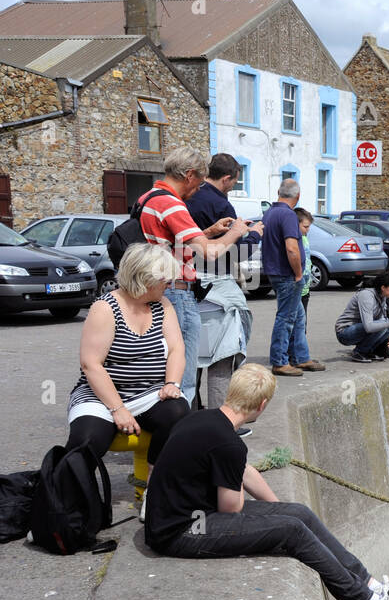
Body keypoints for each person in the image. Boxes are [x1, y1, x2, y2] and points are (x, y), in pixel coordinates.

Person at [144, 363, 389, 600]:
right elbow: (231, 507)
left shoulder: (204, 420)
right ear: (262, 405)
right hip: (180, 532)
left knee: (297, 514)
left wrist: (278, 511)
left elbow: (244, 470)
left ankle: (369, 583)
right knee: (291, 530)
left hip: (183, 516)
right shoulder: (229, 443)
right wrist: (277, 524)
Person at [65, 243, 191, 477]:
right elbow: (91, 364)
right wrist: (118, 409)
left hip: (149, 392)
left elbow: (176, 349)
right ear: (146, 280)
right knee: (87, 440)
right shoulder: (105, 308)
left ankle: (155, 484)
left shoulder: (162, 305)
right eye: (165, 279)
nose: (169, 285)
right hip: (101, 397)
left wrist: (172, 383)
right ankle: (67, 501)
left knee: (179, 413)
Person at [137, 147, 251, 403]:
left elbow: (170, 243)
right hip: (177, 290)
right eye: (199, 183)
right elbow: (210, 253)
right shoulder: (171, 203)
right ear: (189, 175)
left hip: (155, 286)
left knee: (166, 368)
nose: (199, 190)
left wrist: (208, 230)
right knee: (184, 377)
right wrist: (238, 231)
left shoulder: (148, 197)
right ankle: (186, 436)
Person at [186, 152, 260, 428]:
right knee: (221, 356)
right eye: (234, 182)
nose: (232, 187)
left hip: (185, 285)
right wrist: (254, 235)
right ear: (227, 178)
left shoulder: (187, 198)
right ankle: (219, 425)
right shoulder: (220, 204)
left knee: (190, 358)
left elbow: (186, 243)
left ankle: (189, 420)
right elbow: (233, 256)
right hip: (214, 289)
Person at [262, 179, 324, 377]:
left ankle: (301, 357)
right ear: (297, 196)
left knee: (297, 317)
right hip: (287, 274)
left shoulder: (270, 212)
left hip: (276, 271)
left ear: (279, 192)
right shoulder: (287, 215)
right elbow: (292, 248)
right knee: (287, 317)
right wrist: (298, 273)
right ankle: (280, 361)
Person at [334, 273, 389, 362]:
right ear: (383, 288)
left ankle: (369, 351)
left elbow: (382, 320)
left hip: (361, 329)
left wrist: (388, 335)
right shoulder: (366, 295)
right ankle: (359, 352)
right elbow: (369, 327)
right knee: (387, 325)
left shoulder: (383, 296)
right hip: (345, 332)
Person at [295, 208, 315, 312]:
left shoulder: (304, 238)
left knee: (303, 321)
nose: (308, 229)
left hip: (305, 287)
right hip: (297, 286)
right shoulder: (295, 240)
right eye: (305, 227)